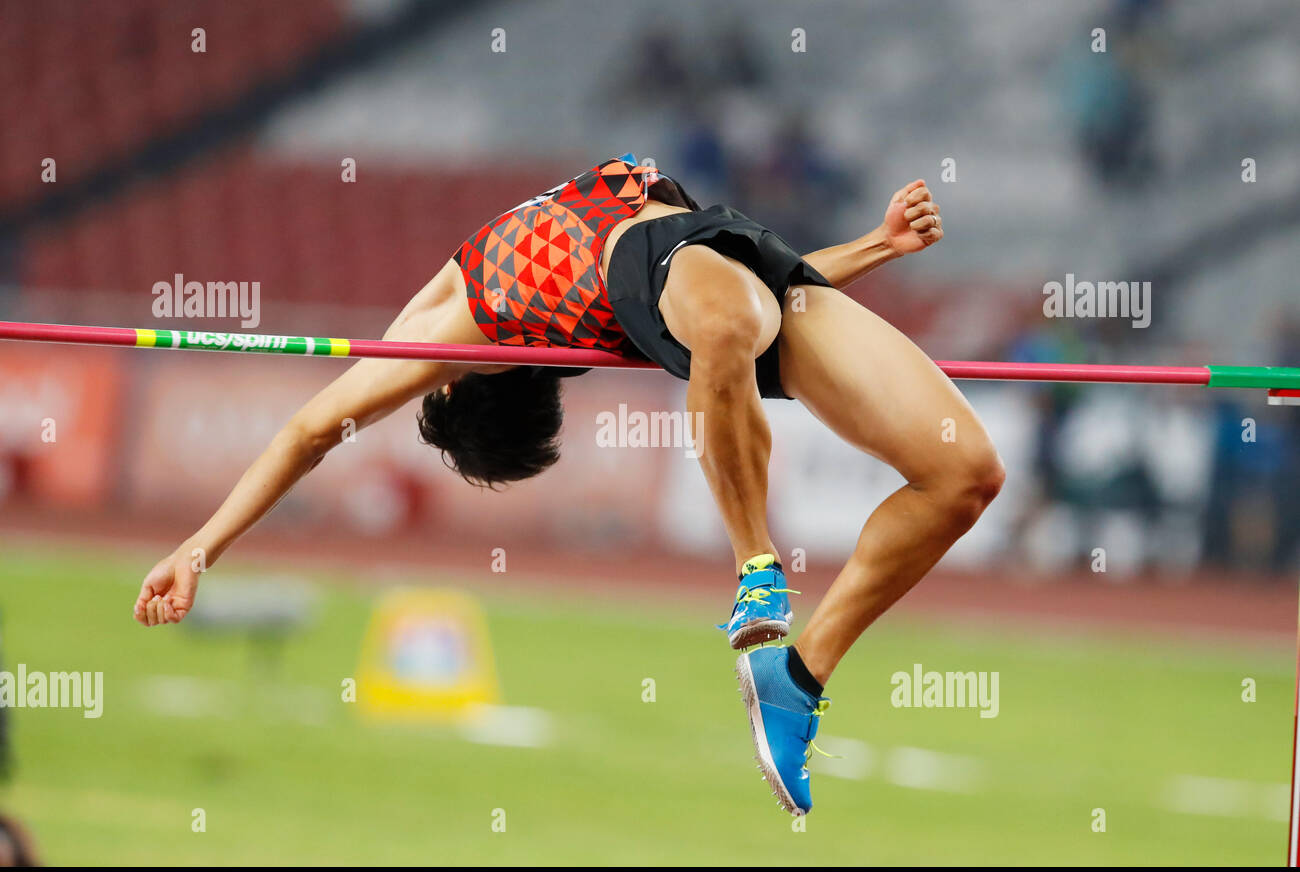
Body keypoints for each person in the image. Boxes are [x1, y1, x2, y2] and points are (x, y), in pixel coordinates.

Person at [133, 154, 1004, 814]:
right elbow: (312, 429)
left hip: (744, 269)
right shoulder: (455, 326)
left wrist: (877, 246)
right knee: (724, 318)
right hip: (680, 265)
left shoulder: (468, 318)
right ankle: (756, 574)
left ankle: (797, 680)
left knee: (964, 475)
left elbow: (745, 299)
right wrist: (199, 547)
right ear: (462, 379)